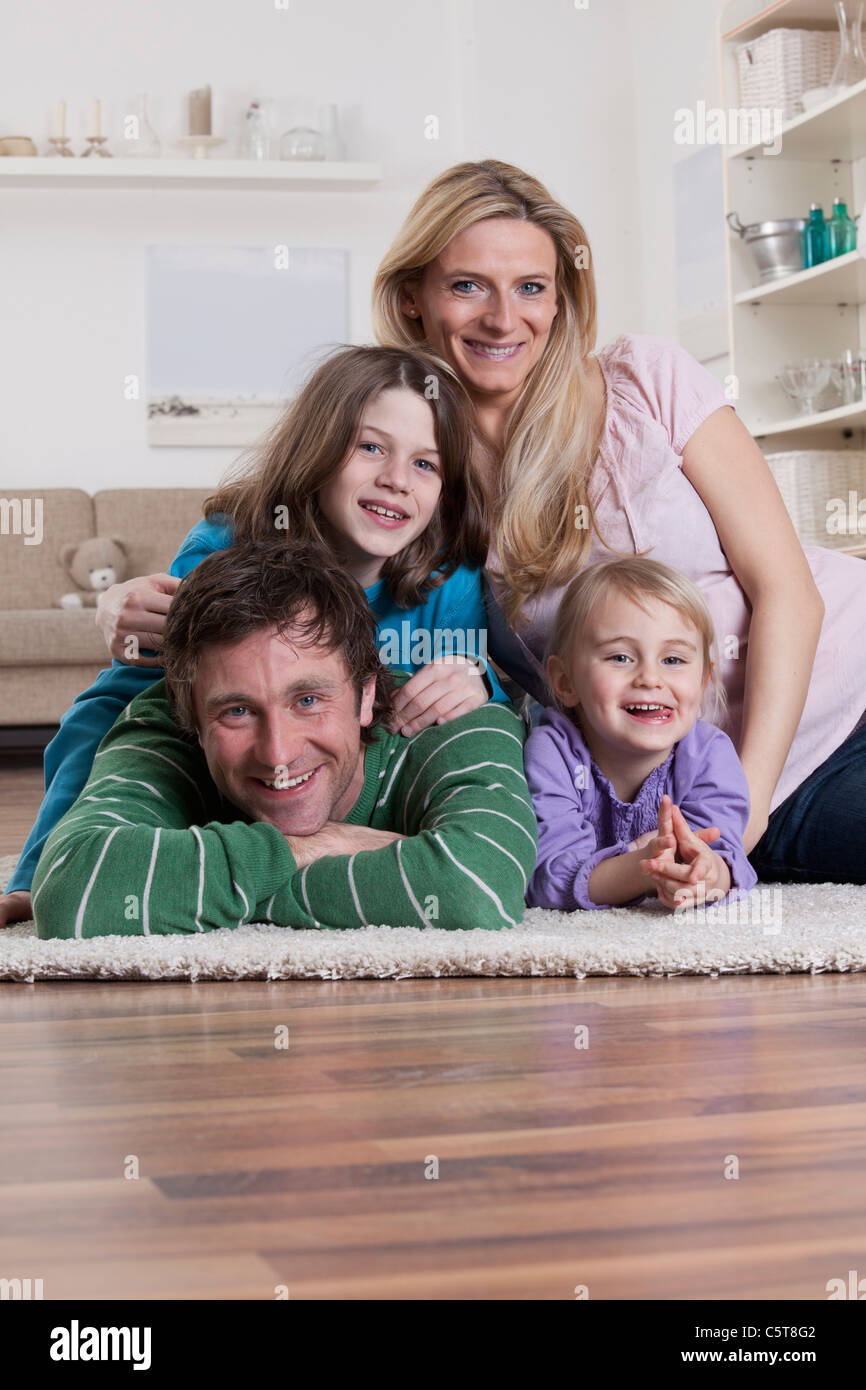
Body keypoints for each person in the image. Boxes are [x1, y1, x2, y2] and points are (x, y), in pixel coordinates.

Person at [370, 158, 866, 886]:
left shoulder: (645, 378)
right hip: (738, 785)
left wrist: (745, 816)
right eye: (468, 285)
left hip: (832, 682)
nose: (504, 319)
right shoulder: (416, 476)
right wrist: (183, 592)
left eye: (531, 288)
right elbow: (308, 547)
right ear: (414, 298)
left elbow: (788, 586)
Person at [3, 344, 510, 924]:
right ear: (319, 448)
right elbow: (166, 671)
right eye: (371, 447)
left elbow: (468, 692)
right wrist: (118, 611)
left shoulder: (450, 574)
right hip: (214, 728)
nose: (397, 479)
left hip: (356, 761)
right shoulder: (227, 538)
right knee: (109, 704)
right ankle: (36, 868)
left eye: (426, 464)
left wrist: (475, 677)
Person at [30, 540, 537, 938]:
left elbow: (477, 890)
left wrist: (196, 886)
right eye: (236, 711)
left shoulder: (457, 723)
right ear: (188, 713)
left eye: (308, 701)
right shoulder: (164, 720)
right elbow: (72, 889)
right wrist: (312, 848)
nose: (278, 753)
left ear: (366, 694)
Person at [524, 558, 757, 912]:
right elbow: (547, 880)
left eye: (674, 660)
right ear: (565, 681)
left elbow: (726, 854)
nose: (650, 678)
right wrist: (643, 869)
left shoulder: (709, 754)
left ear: (703, 681)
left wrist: (707, 875)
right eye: (620, 657)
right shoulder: (552, 752)